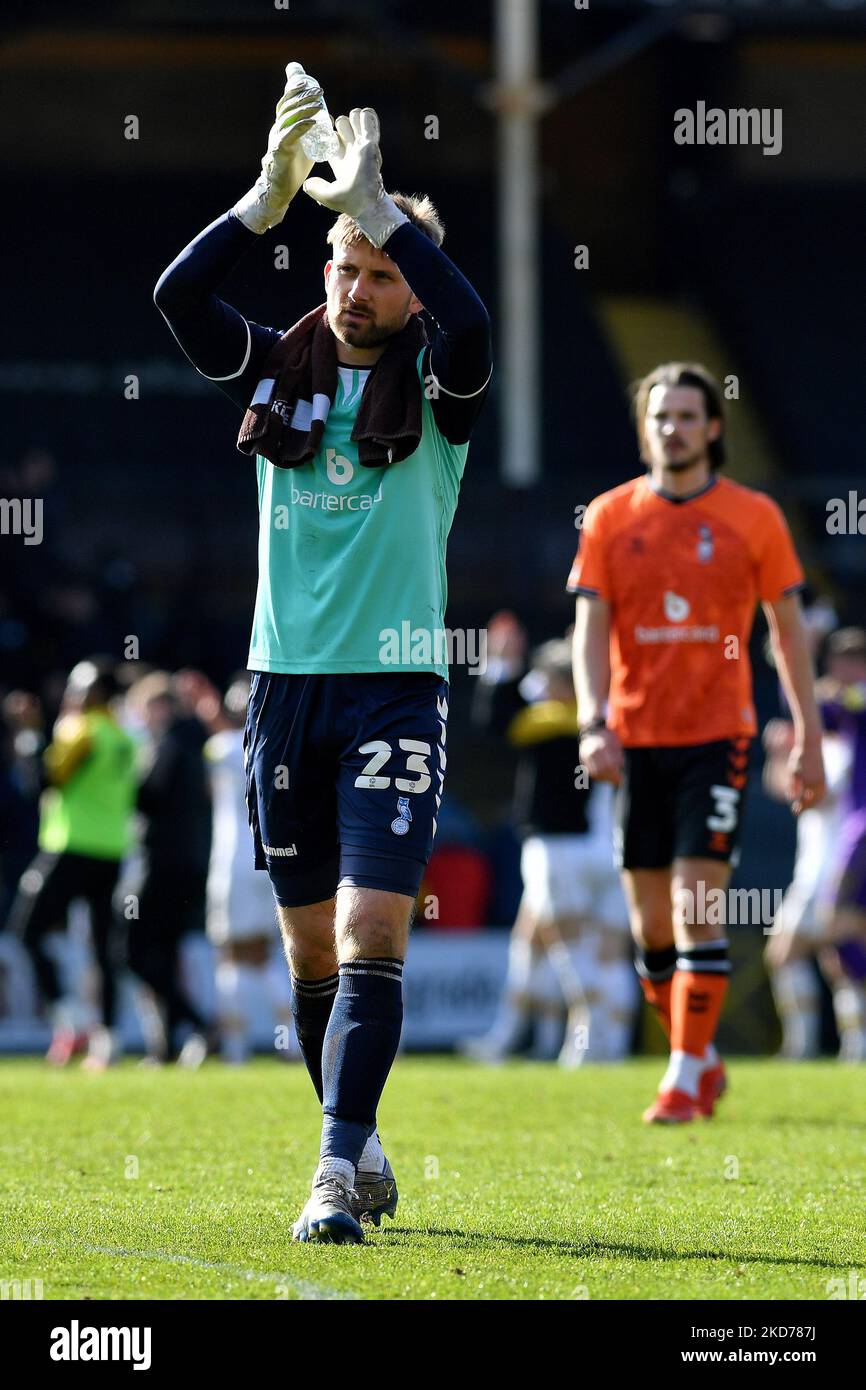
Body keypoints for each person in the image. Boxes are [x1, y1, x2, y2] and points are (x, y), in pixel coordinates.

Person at [154, 63, 492, 1241]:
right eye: (344, 265)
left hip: (395, 692)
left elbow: (478, 323)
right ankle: (362, 1138)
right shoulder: (275, 367)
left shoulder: (442, 397)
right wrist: (262, 201)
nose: (354, 290)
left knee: (367, 934)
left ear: (409, 292)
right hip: (284, 691)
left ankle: (330, 1172)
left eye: (381, 273)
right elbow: (176, 299)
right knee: (309, 951)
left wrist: (390, 208)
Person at [570, 362, 825, 1123]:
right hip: (636, 739)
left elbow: (788, 635)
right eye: (660, 417)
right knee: (650, 925)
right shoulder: (611, 516)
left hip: (719, 735)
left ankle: (682, 1076)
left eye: (686, 415)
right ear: (644, 428)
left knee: (696, 904)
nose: (672, 428)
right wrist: (593, 720)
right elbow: (589, 629)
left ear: (714, 427)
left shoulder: (754, 517)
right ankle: (701, 1051)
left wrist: (807, 735)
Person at [468, 616, 635, 1065]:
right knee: (539, 941)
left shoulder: (557, 722)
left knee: (571, 948)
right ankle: (516, 1037)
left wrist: (502, 666)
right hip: (609, 846)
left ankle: (590, 1041)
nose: (539, 685)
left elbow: (495, 722)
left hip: (561, 846)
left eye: (550, 678)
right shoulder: (613, 716)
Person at [10, 660, 137, 1068]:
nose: (70, 694)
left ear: (92, 693)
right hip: (112, 849)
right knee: (103, 945)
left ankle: (70, 1018)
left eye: (77, 687)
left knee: (26, 929)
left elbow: (41, 783)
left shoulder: (79, 729)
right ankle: (109, 1037)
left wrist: (29, 733)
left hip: (70, 845)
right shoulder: (123, 737)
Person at [205, 676, 299, 1064]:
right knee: (267, 954)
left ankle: (237, 1047)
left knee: (231, 955)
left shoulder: (222, 746)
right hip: (269, 859)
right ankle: (291, 1040)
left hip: (232, 864)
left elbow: (210, 780)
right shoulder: (279, 744)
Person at [125, 672, 214, 1066]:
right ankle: (166, 1044)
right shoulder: (192, 745)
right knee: (163, 952)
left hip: (161, 863)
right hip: (190, 864)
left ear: (157, 707)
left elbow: (147, 797)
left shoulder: (167, 745)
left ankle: (194, 1021)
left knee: (131, 949)